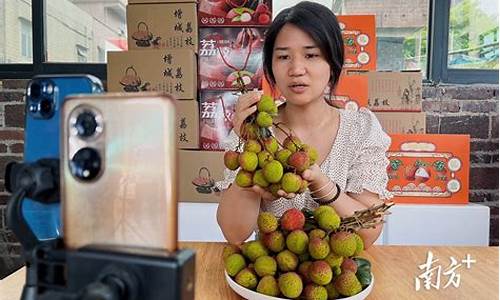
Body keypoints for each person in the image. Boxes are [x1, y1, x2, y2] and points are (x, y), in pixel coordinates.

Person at [216, 1, 392, 249]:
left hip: (333, 278)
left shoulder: (361, 130)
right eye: (283, 57)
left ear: (332, 64)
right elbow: (234, 235)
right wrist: (249, 163)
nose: (297, 69)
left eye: (311, 55)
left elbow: (368, 234)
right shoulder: (253, 131)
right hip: (269, 277)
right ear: (271, 68)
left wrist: (323, 185)